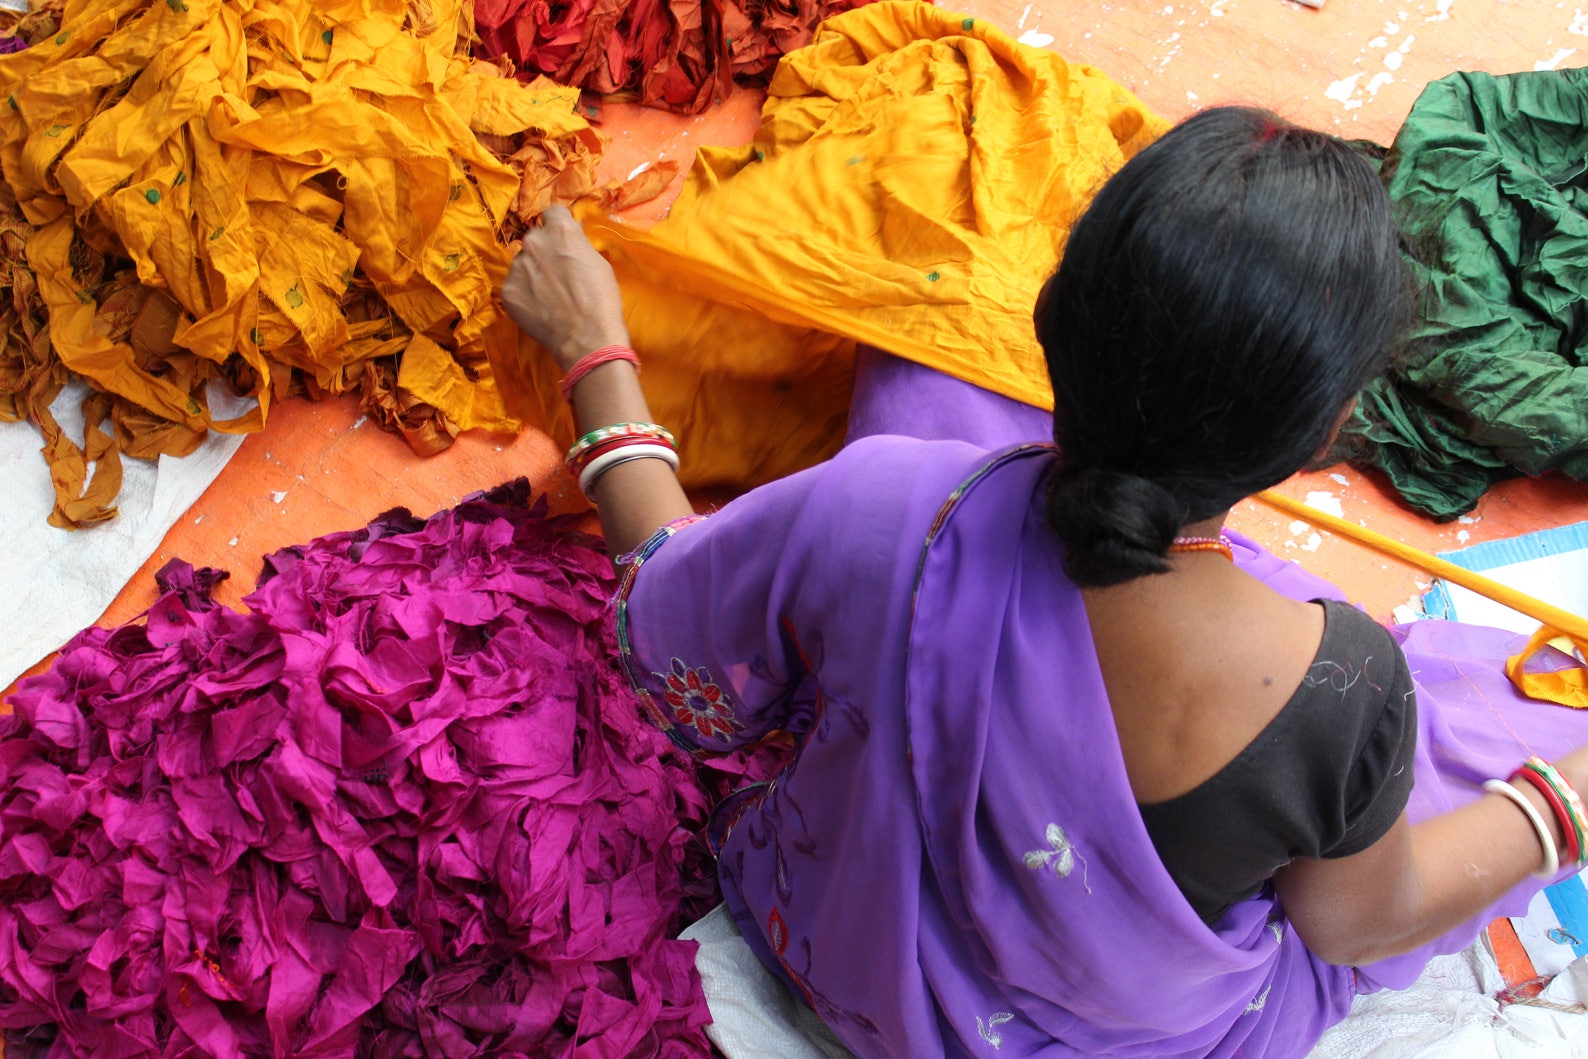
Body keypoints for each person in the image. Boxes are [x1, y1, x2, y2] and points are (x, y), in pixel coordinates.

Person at [500, 107, 1588, 1057]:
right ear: (1326, 433)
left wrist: (596, 348)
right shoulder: (1338, 689)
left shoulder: (879, 502)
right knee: (1498, 709)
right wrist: (1561, 804)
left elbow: (661, 597)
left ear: (1050, 321)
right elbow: (1356, 926)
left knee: (928, 395)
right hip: (1112, 1039)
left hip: (828, 942)